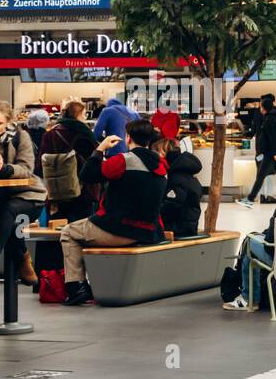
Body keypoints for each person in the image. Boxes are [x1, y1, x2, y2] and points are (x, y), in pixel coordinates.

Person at [60, 119, 168, 306]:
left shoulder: (124, 161)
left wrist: (100, 148)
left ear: (128, 138)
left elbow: (88, 175)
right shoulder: (162, 165)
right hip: (150, 231)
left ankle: (76, 287)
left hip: (118, 229)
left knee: (68, 232)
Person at [0, 100, 46, 289]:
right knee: (5, 219)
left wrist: (3, 168)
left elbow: (26, 169)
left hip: (28, 195)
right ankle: (23, 257)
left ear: (8, 122)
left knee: (7, 212)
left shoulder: (20, 137)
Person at [41, 100, 101, 224]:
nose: (85, 118)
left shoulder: (51, 133)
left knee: (57, 226)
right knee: (80, 227)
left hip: (56, 190)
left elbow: (39, 162)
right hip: (81, 189)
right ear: (77, 115)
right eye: (84, 115)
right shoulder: (84, 133)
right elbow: (92, 161)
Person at [239, 96, 276, 207]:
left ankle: (250, 199)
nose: (259, 108)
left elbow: (273, 138)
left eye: (261, 106)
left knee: (261, 176)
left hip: (270, 154)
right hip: (274, 153)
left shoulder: (269, 120)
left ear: (264, 108)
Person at [152, 137, 203, 238]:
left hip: (178, 229)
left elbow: (171, 206)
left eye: (156, 154)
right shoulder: (184, 173)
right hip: (186, 227)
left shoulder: (177, 178)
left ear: (164, 154)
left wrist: (152, 214)